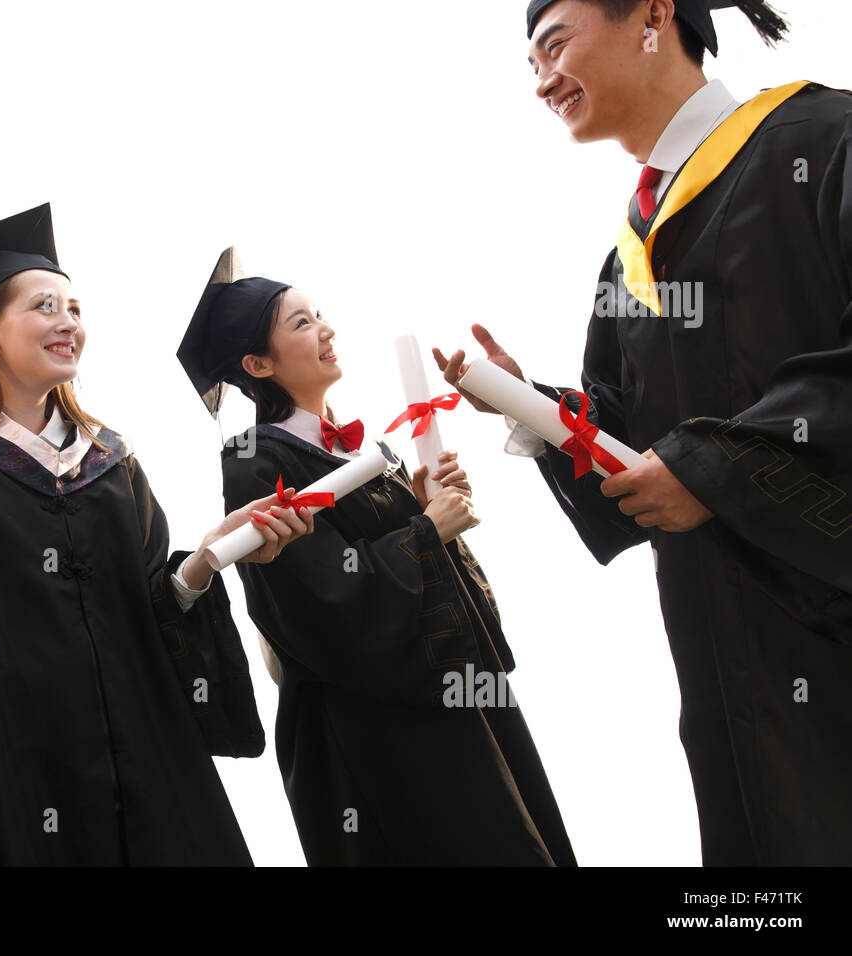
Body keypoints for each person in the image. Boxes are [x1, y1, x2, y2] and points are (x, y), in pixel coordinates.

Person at [436, 0, 852, 865]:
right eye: (531, 62)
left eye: (554, 43)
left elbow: (693, 455)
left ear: (655, 14)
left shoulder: (821, 140)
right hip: (721, 648)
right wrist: (535, 408)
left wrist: (711, 470)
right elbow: (635, 444)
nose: (543, 79)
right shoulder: (628, 254)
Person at [0, 204, 313, 865]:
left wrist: (205, 562)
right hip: (25, 767)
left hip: (151, 756)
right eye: (45, 306)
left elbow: (153, 604)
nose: (68, 322)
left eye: (75, 308)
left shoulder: (109, 461)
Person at [177, 247, 577, 865]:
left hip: (448, 695)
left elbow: (375, 555)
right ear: (258, 363)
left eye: (320, 315)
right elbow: (318, 603)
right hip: (373, 727)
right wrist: (427, 532)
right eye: (302, 323)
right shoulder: (255, 459)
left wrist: (417, 509)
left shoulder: (364, 454)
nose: (326, 330)